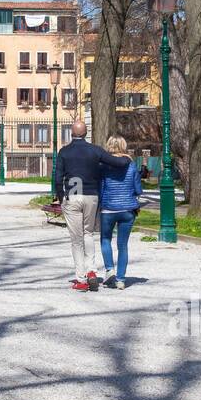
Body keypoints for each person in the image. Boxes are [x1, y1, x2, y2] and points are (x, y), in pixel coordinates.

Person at [56, 119, 131, 291]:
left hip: (73, 196)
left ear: (71, 134)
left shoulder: (64, 152)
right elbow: (117, 162)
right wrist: (126, 159)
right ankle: (91, 271)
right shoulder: (95, 150)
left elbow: (58, 177)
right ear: (85, 133)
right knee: (88, 233)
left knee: (76, 240)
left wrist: (61, 197)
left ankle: (81, 278)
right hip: (91, 196)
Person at [98, 136, 143, 289]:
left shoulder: (103, 166)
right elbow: (138, 190)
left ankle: (109, 268)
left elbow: (101, 188)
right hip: (127, 209)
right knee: (123, 245)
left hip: (108, 209)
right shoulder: (131, 165)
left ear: (108, 146)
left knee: (105, 239)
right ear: (124, 146)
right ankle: (121, 279)